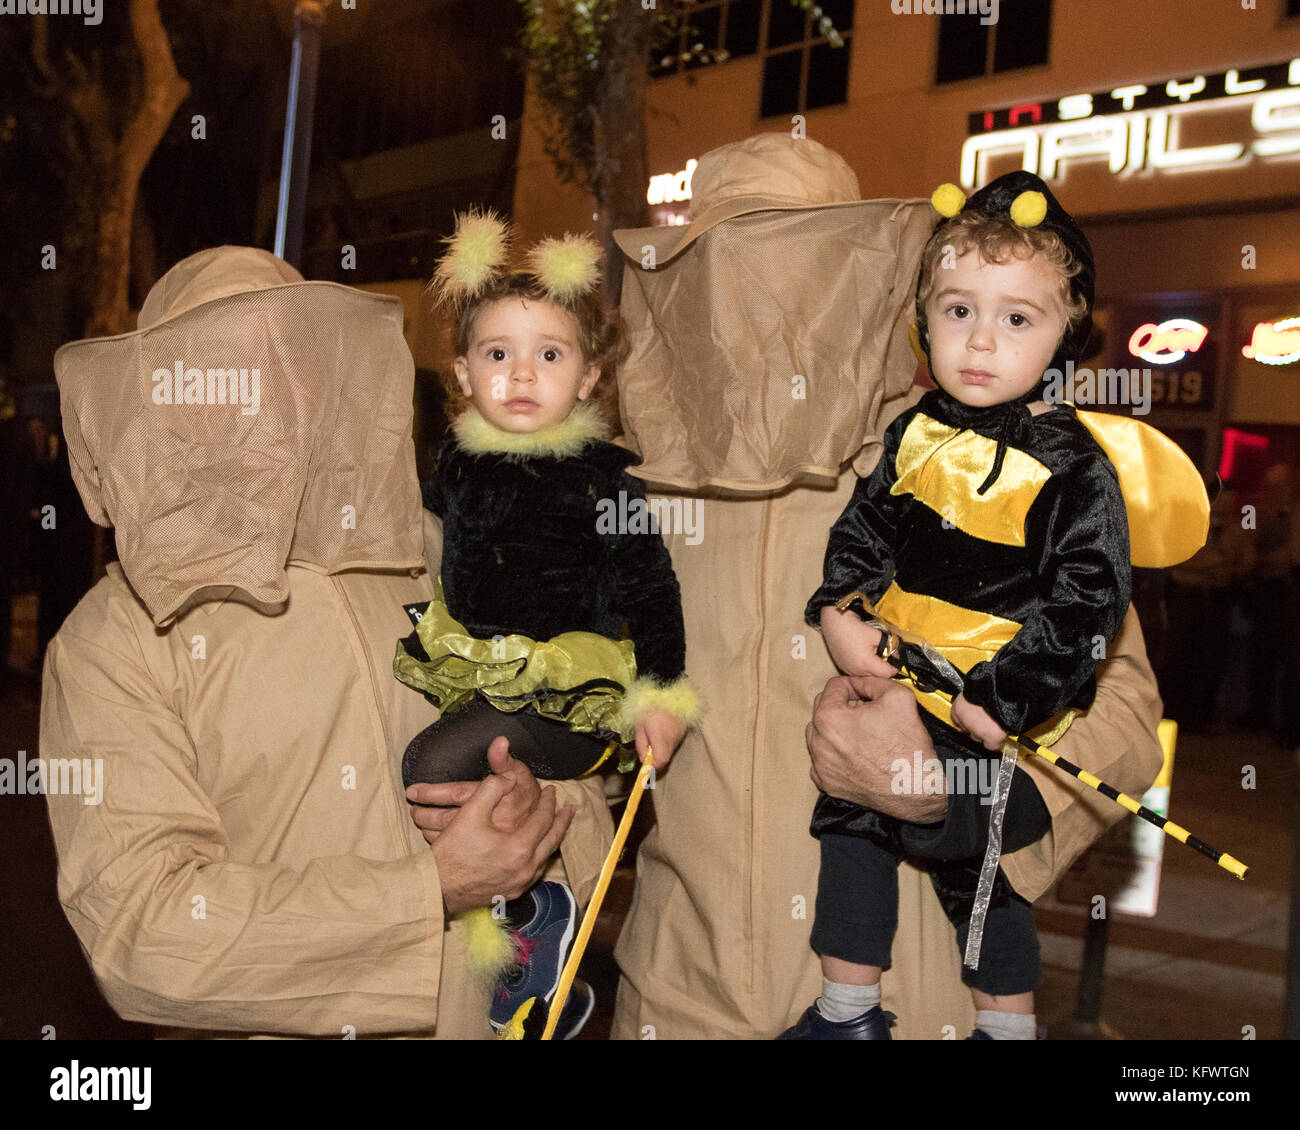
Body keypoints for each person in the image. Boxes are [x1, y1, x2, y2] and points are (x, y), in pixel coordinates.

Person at [608, 133, 1167, 1040]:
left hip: (915, 1000)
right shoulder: (637, 489)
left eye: (800, 268)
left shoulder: (979, 453)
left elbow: (1125, 715)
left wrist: (955, 795)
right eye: (727, 271)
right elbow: (598, 735)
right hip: (676, 1002)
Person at [42, 246, 614, 1038]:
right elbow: (142, 931)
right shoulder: (115, 638)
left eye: (287, 358)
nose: (259, 395)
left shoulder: (440, 554)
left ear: (324, 375)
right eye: (219, 373)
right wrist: (427, 892)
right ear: (165, 403)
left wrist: (539, 817)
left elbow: (580, 766)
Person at [783, 172, 1132, 1041]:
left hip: (988, 697)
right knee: (853, 822)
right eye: (957, 311)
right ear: (923, 321)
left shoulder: (1077, 467)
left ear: (1065, 335)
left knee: (984, 873)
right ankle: (847, 1012)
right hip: (904, 675)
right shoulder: (914, 431)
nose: (980, 342)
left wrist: (1008, 694)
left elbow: (1089, 603)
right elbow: (864, 531)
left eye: (1017, 318)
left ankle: (1008, 1029)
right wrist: (840, 609)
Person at [393, 212, 698, 1038]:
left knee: (431, 768)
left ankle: (535, 915)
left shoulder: (603, 479)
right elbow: (422, 546)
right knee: (436, 787)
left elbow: (654, 590)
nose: (522, 373)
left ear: (591, 376)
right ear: (462, 370)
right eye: (498, 354)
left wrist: (660, 695)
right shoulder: (455, 463)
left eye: (550, 355)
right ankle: (517, 966)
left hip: (576, 692)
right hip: (488, 672)